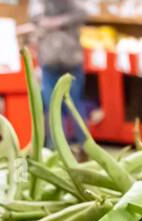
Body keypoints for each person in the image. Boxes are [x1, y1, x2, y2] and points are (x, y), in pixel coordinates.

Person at [24, 0, 92, 144]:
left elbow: (83, 13)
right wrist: (61, 22)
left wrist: (54, 22)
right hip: (50, 59)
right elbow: (35, 18)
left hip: (71, 58)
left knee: (73, 104)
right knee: (53, 105)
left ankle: (84, 146)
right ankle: (54, 148)